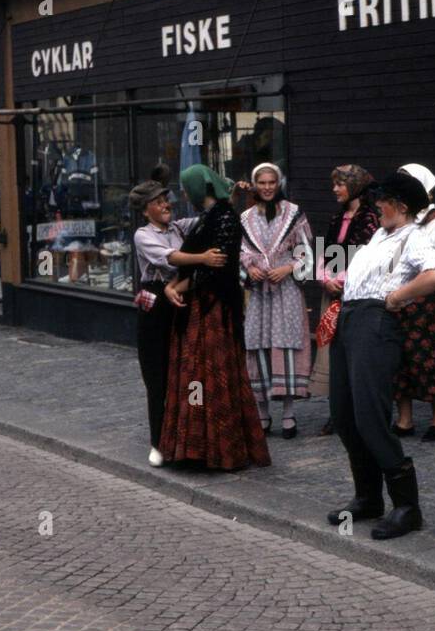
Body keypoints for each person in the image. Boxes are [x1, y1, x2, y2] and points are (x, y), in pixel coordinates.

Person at [326, 170, 435, 541]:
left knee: (370, 418)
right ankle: (368, 497)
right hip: (349, 321)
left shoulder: (414, 237)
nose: (376, 205)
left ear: (401, 206)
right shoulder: (381, 235)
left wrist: (397, 297)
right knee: (343, 415)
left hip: (375, 325)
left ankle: (407, 506)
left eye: (382, 202)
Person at [159, 164, 271, 471]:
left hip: (213, 306)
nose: (183, 193)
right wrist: (176, 285)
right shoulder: (212, 216)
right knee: (197, 376)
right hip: (201, 305)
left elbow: (215, 266)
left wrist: (176, 286)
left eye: (187, 187)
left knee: (207, 373)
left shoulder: (223, 217)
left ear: (199, 188)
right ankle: (199, 448)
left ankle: (215, 449)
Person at [128, 167, 222, 467]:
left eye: (167, 199)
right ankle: (158, 442)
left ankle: (183, 442)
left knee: (184, 373)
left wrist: (226, 189)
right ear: (146, 210)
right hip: (155, 306)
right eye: (158, 202)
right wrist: (203, 258)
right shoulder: (143, 235)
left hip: (182, 300)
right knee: (157, 376)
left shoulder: (180, 228)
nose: (166, 205)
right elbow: (171, 258)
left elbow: (213, 214)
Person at [240, 162, 314, 438]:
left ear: (278, 183)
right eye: (262, 183)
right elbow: (240, 251)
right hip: (259, 295)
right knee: (258, 346)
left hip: (286, 292)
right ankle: (262, 413)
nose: (268, 187)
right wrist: (250, 268)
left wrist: (288, 268)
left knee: (287, 347)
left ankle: (289, 414)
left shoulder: (294, 213)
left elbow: (308, 249)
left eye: (272, 182)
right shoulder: (245, 218)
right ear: (255, 185)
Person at [308, 165, 378, 435]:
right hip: (333, 292)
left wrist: (343, 281)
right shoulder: (338, 217)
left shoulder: (370, 219)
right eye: (334, 183)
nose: (334, 189)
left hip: (353, 296)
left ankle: (357, 414)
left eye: (340, 184)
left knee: (352, 353)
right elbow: (324, 251)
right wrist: (324, 278)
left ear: (355, 186)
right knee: (332, 353)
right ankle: (337, 412)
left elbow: (368, 257)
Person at [392, 163, 435, 441]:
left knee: (431, 357)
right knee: (400, 358)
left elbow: (430, 262)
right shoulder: (398, 219)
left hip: (425, 301)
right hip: (400, 297)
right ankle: (405, 420)